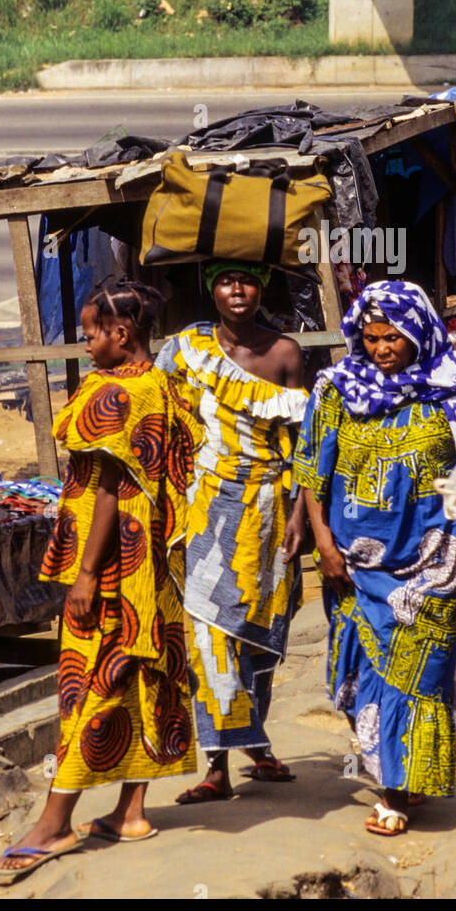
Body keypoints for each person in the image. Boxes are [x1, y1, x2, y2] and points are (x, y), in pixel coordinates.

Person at [293, 281, 456, 836]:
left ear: (418, 334)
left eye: (395, 338)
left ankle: (394, 793)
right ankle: (401, 775)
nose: (383, 348)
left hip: (436, 561)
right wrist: (323, 545)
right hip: (355, 565)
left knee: (419, 676)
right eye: (373, 337)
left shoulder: (454, 387)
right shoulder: (336, 388)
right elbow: (312, 471)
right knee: (365, 670)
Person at [0, 282, 201, 881]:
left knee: (90, 685)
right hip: (153, 559)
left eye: (90, 332)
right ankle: (130, 813)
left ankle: (54, 823)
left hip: (113, 564)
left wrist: (85, 573)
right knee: (140, 673)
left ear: (122, 333)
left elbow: (111, 488)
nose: (84, 342)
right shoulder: (160, 384)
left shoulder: (116, 391)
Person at [155, 262, 308, 802]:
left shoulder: (285, 352)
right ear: (210, 289)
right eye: (225, 281)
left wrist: (300, 515)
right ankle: (217, 766)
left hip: (268, 511)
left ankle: (257, 744)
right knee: (208, 635)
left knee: (260, 630)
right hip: (204, 510)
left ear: (261, 287)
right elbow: (164, 425)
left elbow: (302, 446)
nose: (236, 291)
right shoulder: (185, 350)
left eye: (246, 280)